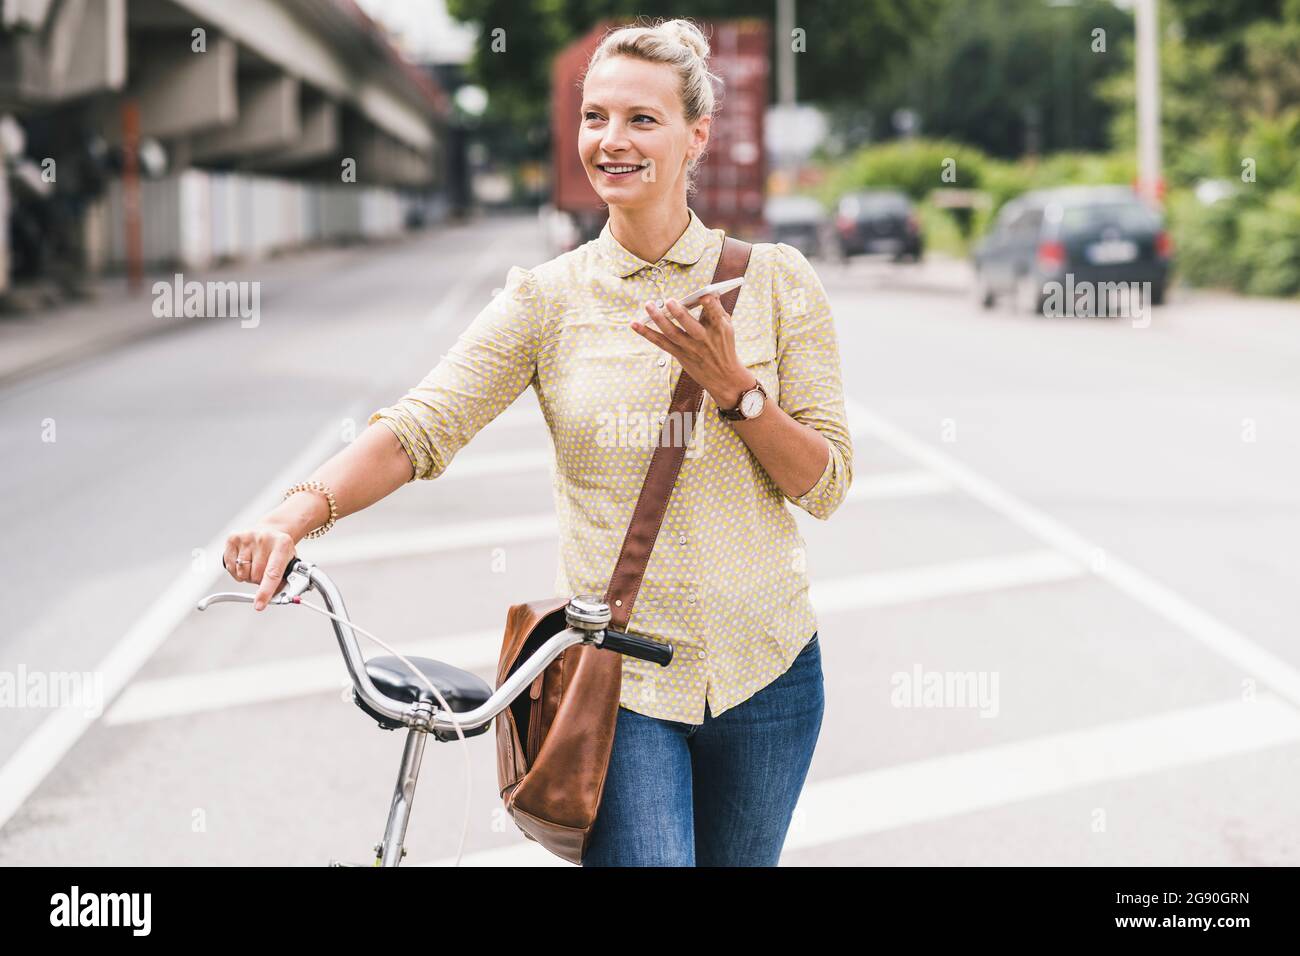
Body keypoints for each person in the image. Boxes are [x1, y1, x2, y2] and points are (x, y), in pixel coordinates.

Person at [223, 17, 853, 867]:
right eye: (594, 118)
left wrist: (737, 391)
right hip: (617, 684)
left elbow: (827, 483)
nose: (611, 140)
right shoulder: (547, 299)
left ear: (697, 136)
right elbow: (420, 427)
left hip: (770, 674)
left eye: (641, 119)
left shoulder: (774, 280)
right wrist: (293, 515)